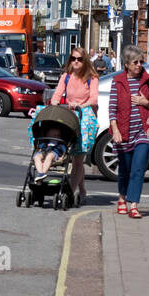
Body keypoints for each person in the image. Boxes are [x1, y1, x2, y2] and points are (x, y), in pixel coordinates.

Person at [108, 45, 149, 219]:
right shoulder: (118, 81)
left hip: (147, 128)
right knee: (125, 168)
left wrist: (146, 102)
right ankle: (122, 197)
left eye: (141, 61)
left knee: (138, 168)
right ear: (127, 64)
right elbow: (112, 108)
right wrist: (115, 130)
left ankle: (134, 205)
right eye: (135, 62)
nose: (139, 65)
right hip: (124, 129)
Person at [51, 45, 99, 205]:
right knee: (75, 159)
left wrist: (81, 105)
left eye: (79, 59)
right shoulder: (66, 76)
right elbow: (57, 93)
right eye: (73, 59)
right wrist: (55, 103)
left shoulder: (92, 77)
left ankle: (70, 192)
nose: (76, 62)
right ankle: (83, 191)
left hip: (85, 118)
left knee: (78, 159)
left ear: (84, 61)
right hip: (71, 117)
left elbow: (94, 99)